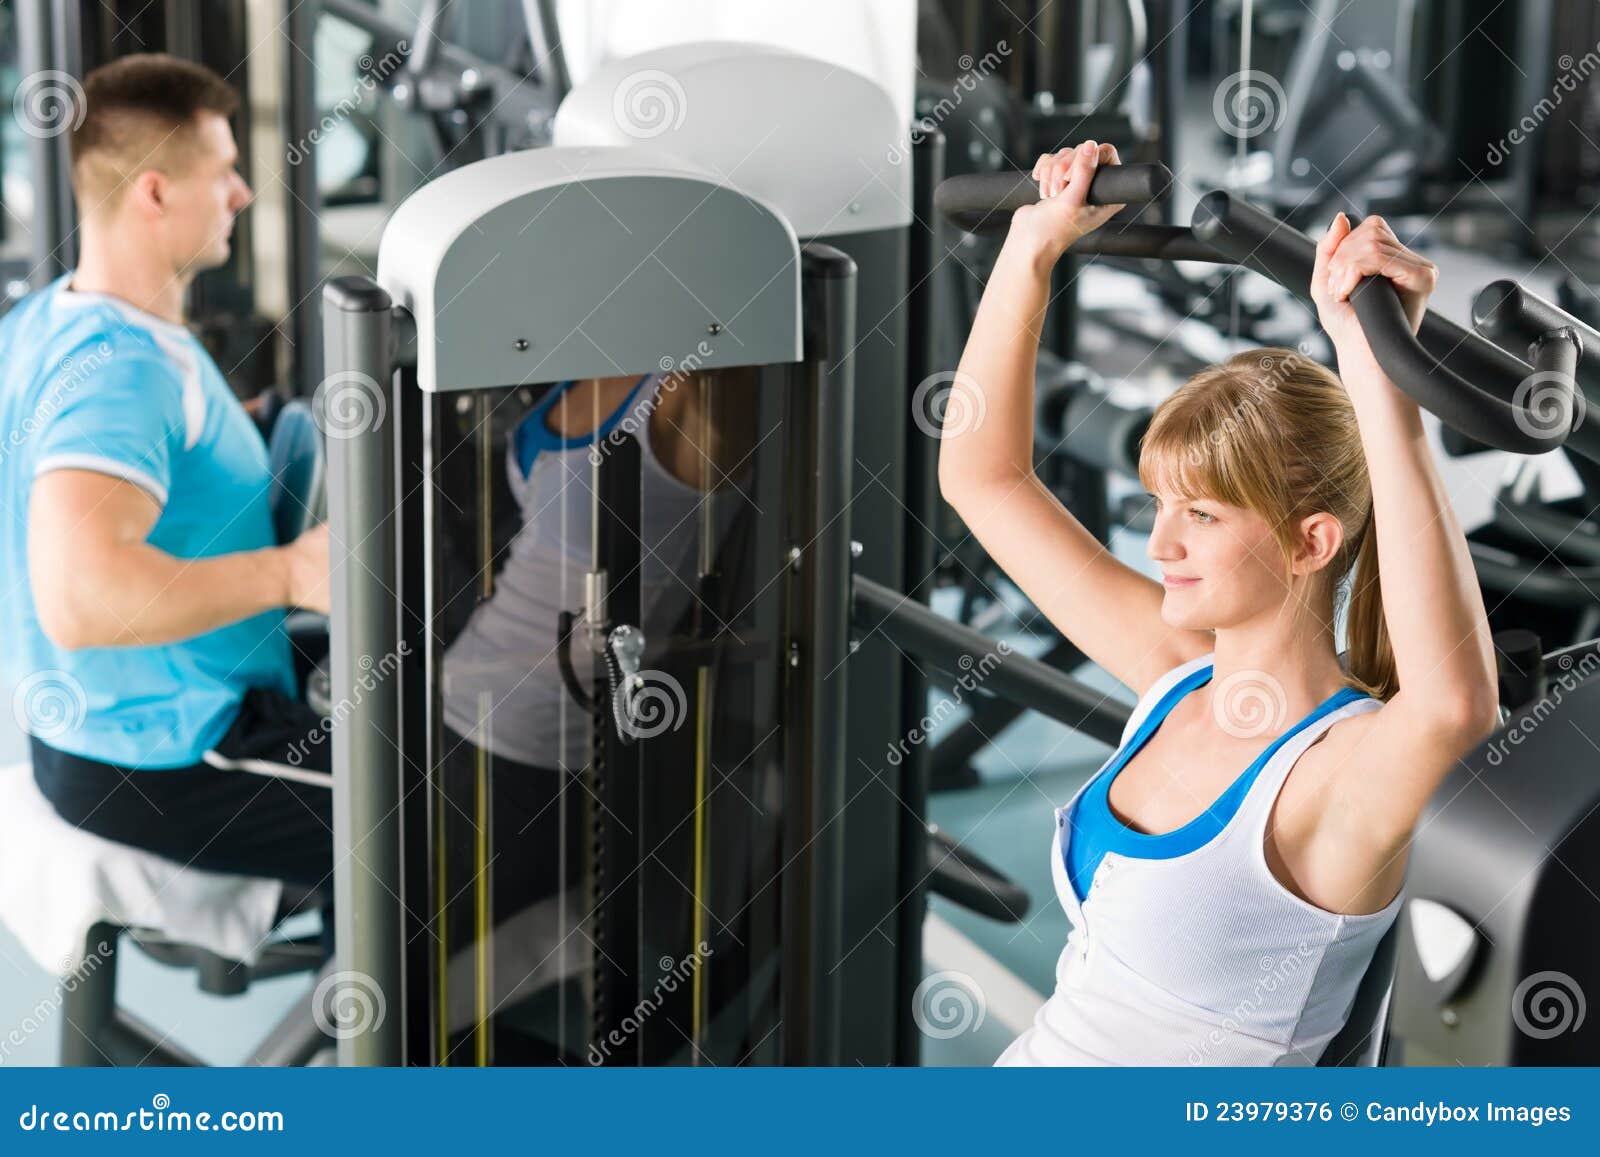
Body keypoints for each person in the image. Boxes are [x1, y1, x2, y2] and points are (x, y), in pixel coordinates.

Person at [938, 141, 1500, 1066]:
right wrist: (1033, 247)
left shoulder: (1333, 777)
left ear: (1311, 542)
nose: (1160, 545)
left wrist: (1379, 373)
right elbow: (982, 478)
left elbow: (1453, 706)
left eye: (1200, 514)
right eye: (1160, 505)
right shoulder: (1177, 680)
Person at [0, 55, 332, 898]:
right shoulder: (125, 371)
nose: (242, 194)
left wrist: (230, 439)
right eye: (223, 172)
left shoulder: (47, 318)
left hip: (99, 727)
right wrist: (292, 572)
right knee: (450, 804)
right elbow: (80, 599)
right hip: (172, 752)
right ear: (154, 192)